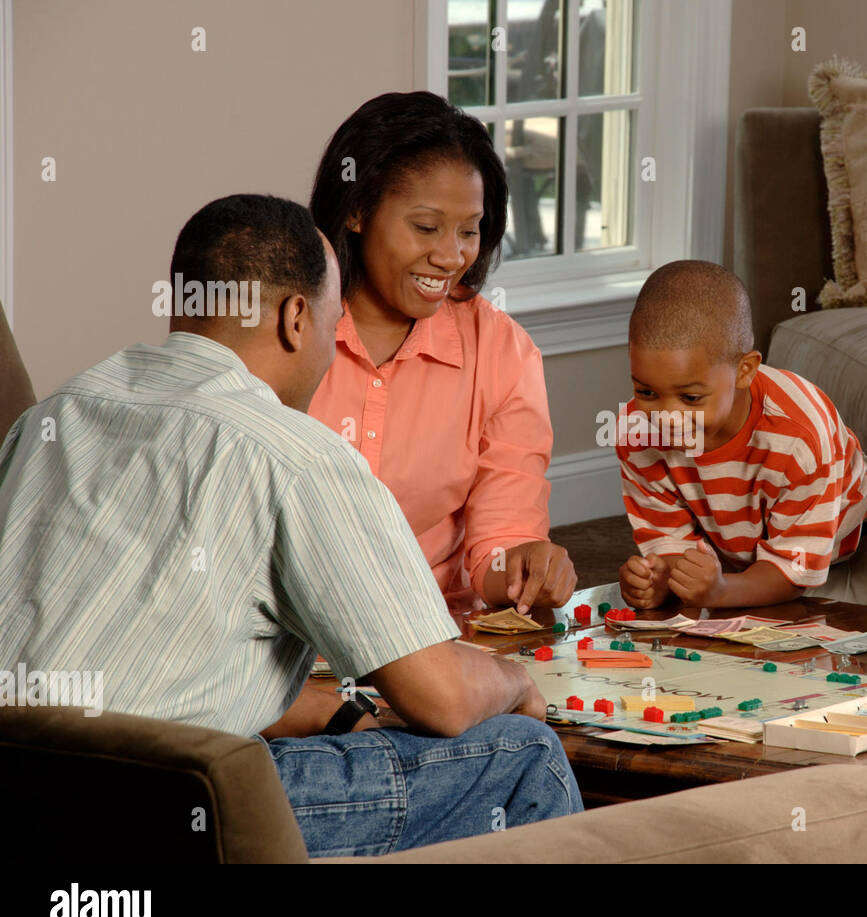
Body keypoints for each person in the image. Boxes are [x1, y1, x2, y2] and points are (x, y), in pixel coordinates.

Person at [0, 194, 581, 856]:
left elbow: (165, 661)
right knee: (521, 751)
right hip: (158, 814)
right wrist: (515, 683)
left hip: (20, 801)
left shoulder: (54, 418)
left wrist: (335, 715)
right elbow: (442, 698)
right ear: (296, 317)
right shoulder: (294, 452)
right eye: (334, 324)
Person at [307, 91, 575, 615]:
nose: (451, 256)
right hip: (293, 636)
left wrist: (522, 566)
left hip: (432, 631)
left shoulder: (501, 350)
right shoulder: (287, 326)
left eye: (469, 231)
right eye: (426, 227)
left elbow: (501, 535)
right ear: (358, 209)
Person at [615, 260, 867, 610]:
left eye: (690, 398)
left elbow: (793, 570)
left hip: (859, 545)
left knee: (841, 631)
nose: (666, 418)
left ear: (745, 371)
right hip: (750, 556)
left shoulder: (798, 436)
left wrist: (722, 591)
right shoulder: (639, 433)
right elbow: (672, 550)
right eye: (646, 392)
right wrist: (659, 579)